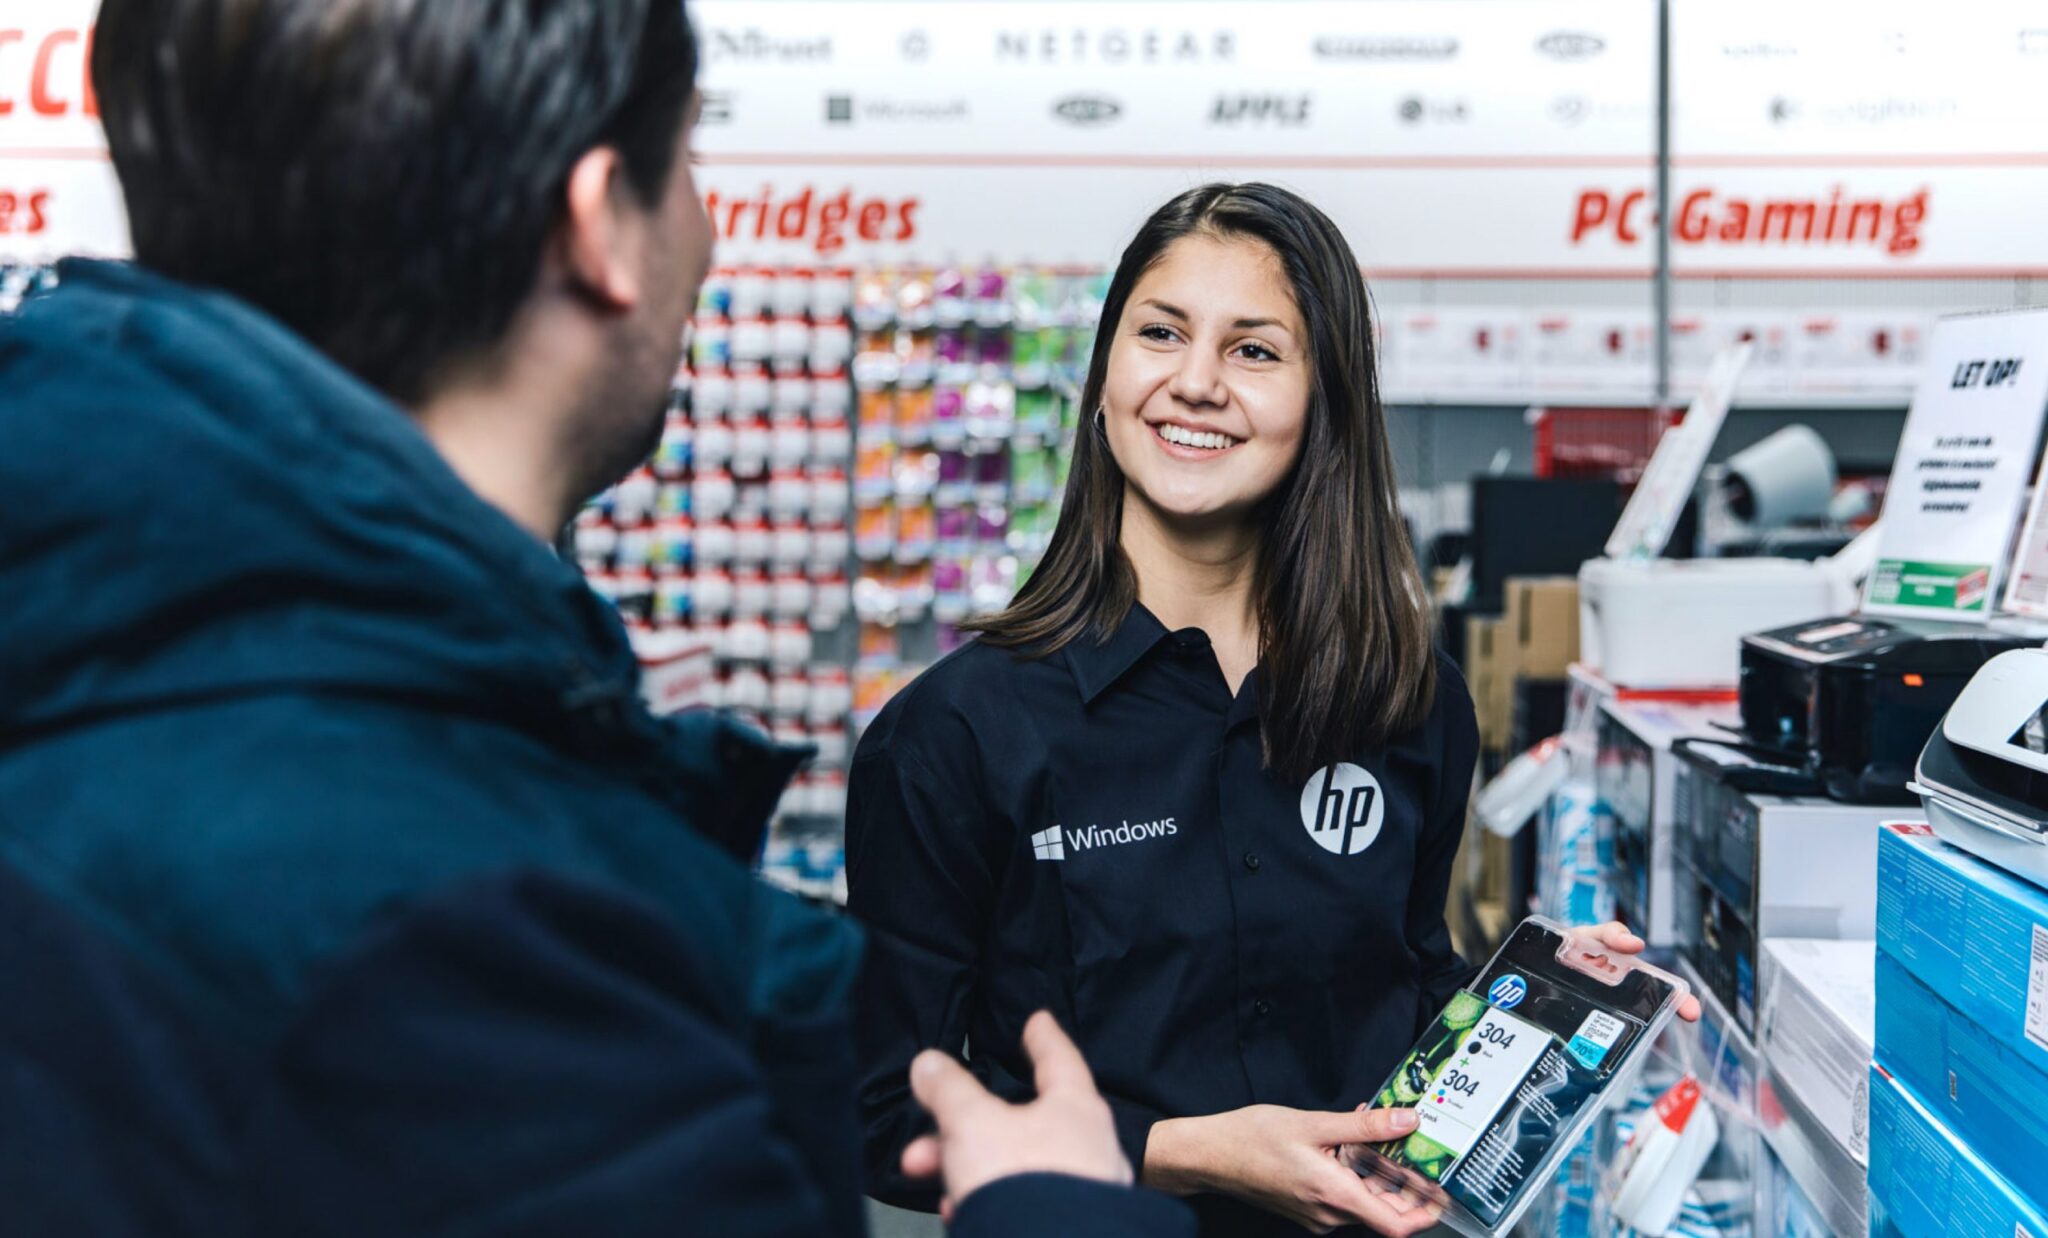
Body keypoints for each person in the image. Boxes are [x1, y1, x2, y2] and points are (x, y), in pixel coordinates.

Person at [0, 2, 1193, 1234]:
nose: (707, 229)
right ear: (597, 227)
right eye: (685, 161)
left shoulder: (91, 647)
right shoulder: (481, 928)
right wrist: (1052, 1209)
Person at [846, 183, 1698, 1237]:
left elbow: (1403, 977)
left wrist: (1537, 1004)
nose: (1194, 382)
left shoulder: (1407, 700)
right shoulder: (953, 734)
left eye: (1253, 350)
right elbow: (886, 1115)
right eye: (1160, 332)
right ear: (1106, 371)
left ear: (1322, 397)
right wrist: (1183, 1151)